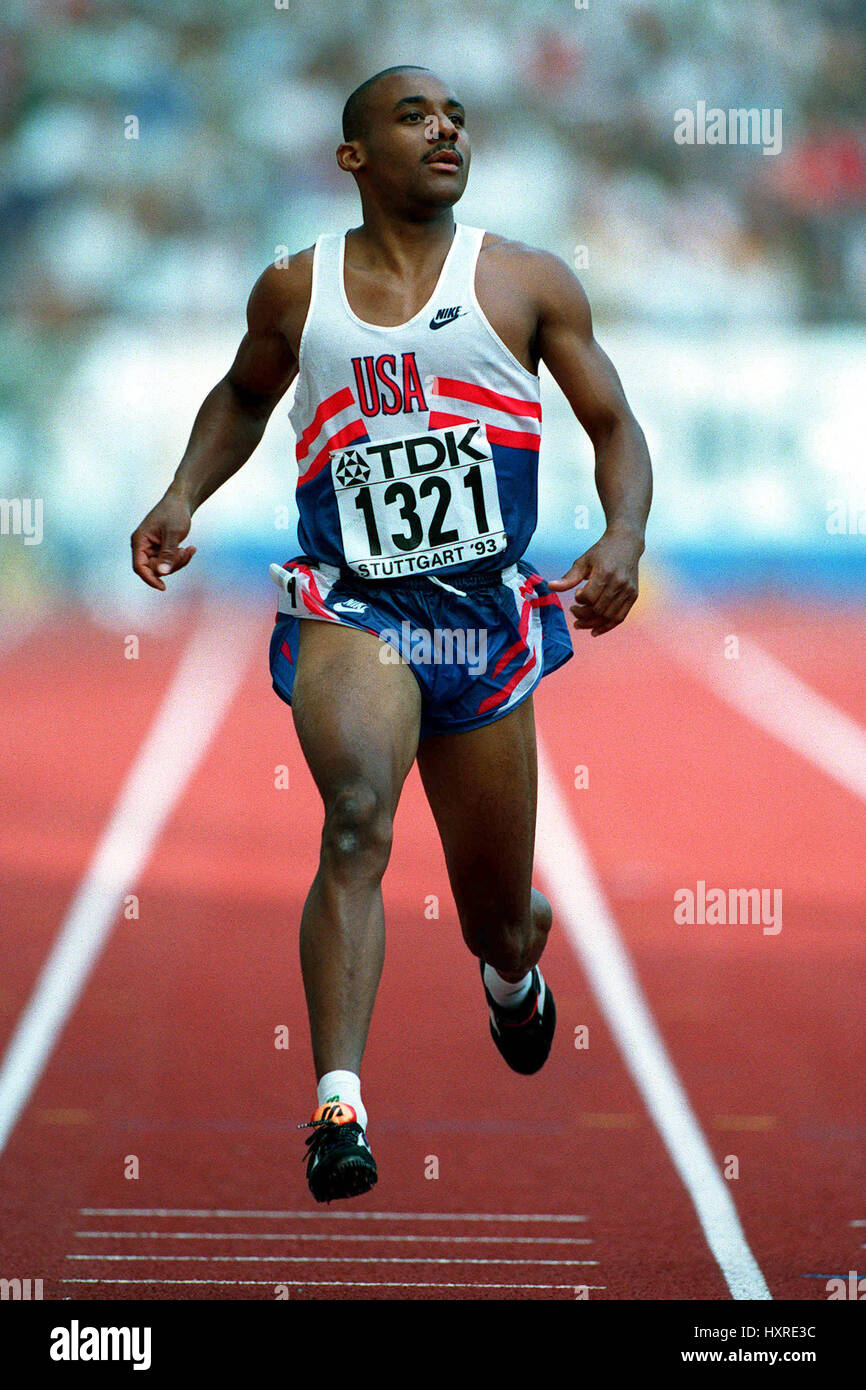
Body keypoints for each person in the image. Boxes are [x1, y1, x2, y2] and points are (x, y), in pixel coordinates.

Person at [131, 65, 652, 1204]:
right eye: (414, 116)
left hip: (480, 623)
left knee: (495, 915)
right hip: (350, 603)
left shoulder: (523, 281)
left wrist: (620, 538)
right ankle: (336, 1105)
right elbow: (243, 395)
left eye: (455, 115)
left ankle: (512, 967)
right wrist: (182, 494)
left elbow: (611, 422)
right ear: (353, 156)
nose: (445, 129)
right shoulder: (294, 289)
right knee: (356, 818)